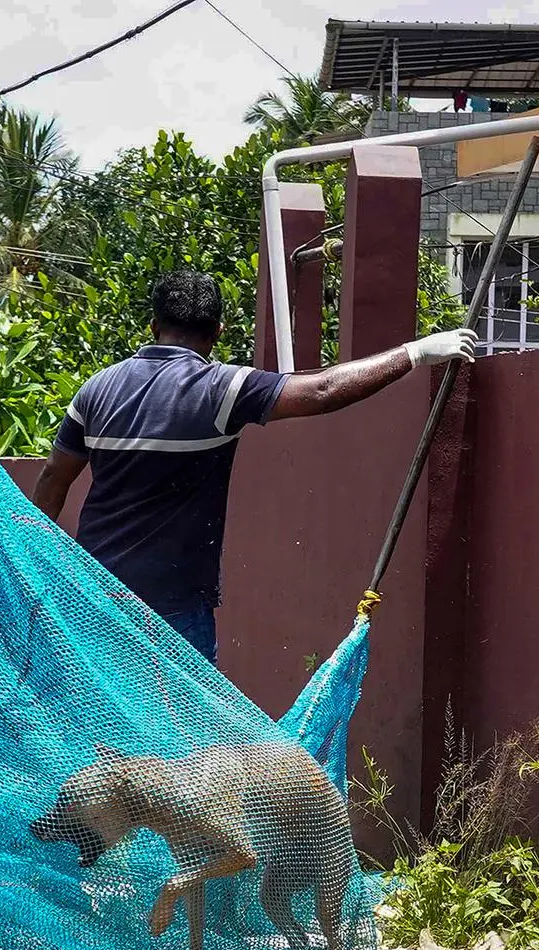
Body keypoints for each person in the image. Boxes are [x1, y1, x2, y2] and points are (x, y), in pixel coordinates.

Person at [31, 270, 476, 665]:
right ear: (218, 332)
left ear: (153, 327)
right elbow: (322, 390)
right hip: (175, 609)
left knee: (98, 732)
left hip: (92, 597)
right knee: (188, 740)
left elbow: (54, 479)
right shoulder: (219, 388)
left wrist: (32, 556)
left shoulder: (96, 390)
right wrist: (416, 352)